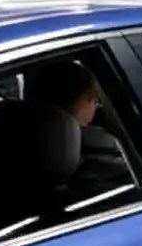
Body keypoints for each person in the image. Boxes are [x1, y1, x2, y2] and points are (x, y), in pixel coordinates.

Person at [23, 60, 134, 191]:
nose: (97, 105)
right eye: (96, 99)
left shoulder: (17, 154)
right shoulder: (106, 151)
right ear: (90, 98)